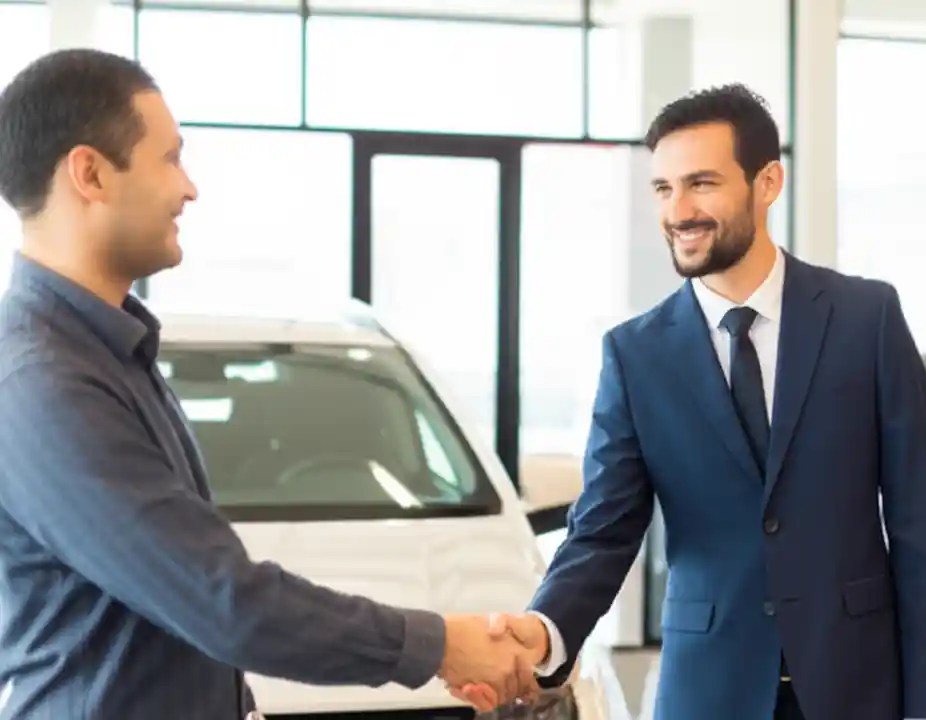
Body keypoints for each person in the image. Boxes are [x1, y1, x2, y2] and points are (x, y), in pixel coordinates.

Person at [0, 49, 539, 719]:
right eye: (170, 158)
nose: (188, 188)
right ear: (90, 173)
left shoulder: (113, 352)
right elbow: (220, 602)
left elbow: (174, 623)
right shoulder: (44, 384)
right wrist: (442, 645)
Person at [458, 84, 926, 719]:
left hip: (857, 685)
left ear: (768, 182)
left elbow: (919, 531)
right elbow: (603, 531)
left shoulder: (867, 318)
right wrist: (543, 630)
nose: (679, 210)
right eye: (664, 189)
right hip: (709, 690)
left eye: (702, 183)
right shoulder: (635, 355)